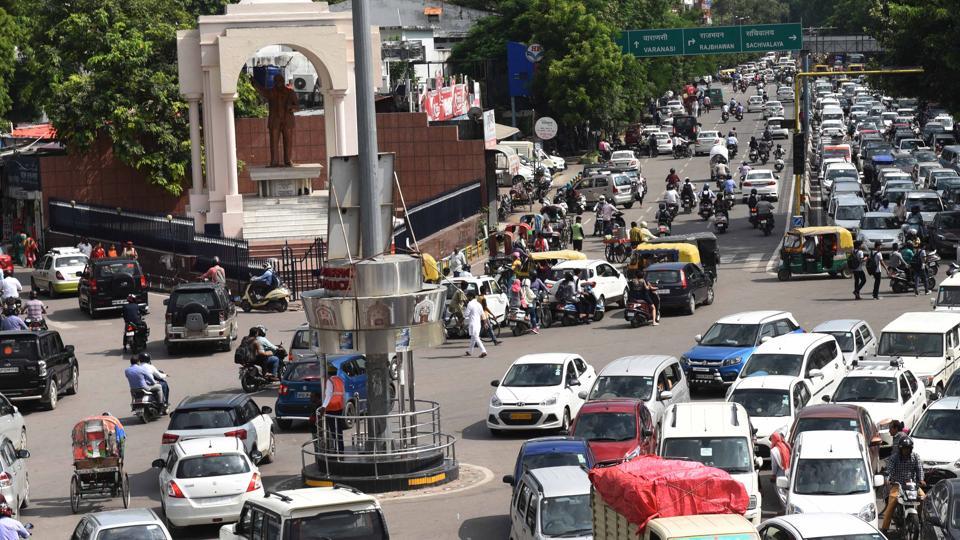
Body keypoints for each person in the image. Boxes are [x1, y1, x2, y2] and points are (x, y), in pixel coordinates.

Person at [881, 437, 925, 532]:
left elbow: (919, 469)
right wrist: (887, 479)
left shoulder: (915, 456)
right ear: (900, 449)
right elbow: (888, 470)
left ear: (911, 449)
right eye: (904, 448)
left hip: (912, 484)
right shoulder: (894, 458)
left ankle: (920, 517)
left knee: (923, 497)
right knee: (892, 502)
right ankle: (884, 529)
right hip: (897, 485)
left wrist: (921, 479)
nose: (906, 451)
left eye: (908, 448)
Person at [316, 362, 346, 453]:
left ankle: (337, 449)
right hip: (339, 407)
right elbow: (343, 394)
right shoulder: (339, 380)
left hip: (331, 408)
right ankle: (341, 449)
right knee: (339, 429)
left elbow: (328, 395)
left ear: (328, 373)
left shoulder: (330, 381)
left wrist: (323, 407)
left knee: (333, 430)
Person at [463, 291, 486, 357]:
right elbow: (482, 314)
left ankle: (483, 351)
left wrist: (460, 321)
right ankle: (470, 351)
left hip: (473, 324)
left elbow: (466, 314)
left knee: (476, 337)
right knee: (473, 337)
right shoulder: (479, 304)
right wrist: (485, 323)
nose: (467, 297)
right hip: (478, 324)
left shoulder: (470, 304)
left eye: (467, 296)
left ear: (471, 297)